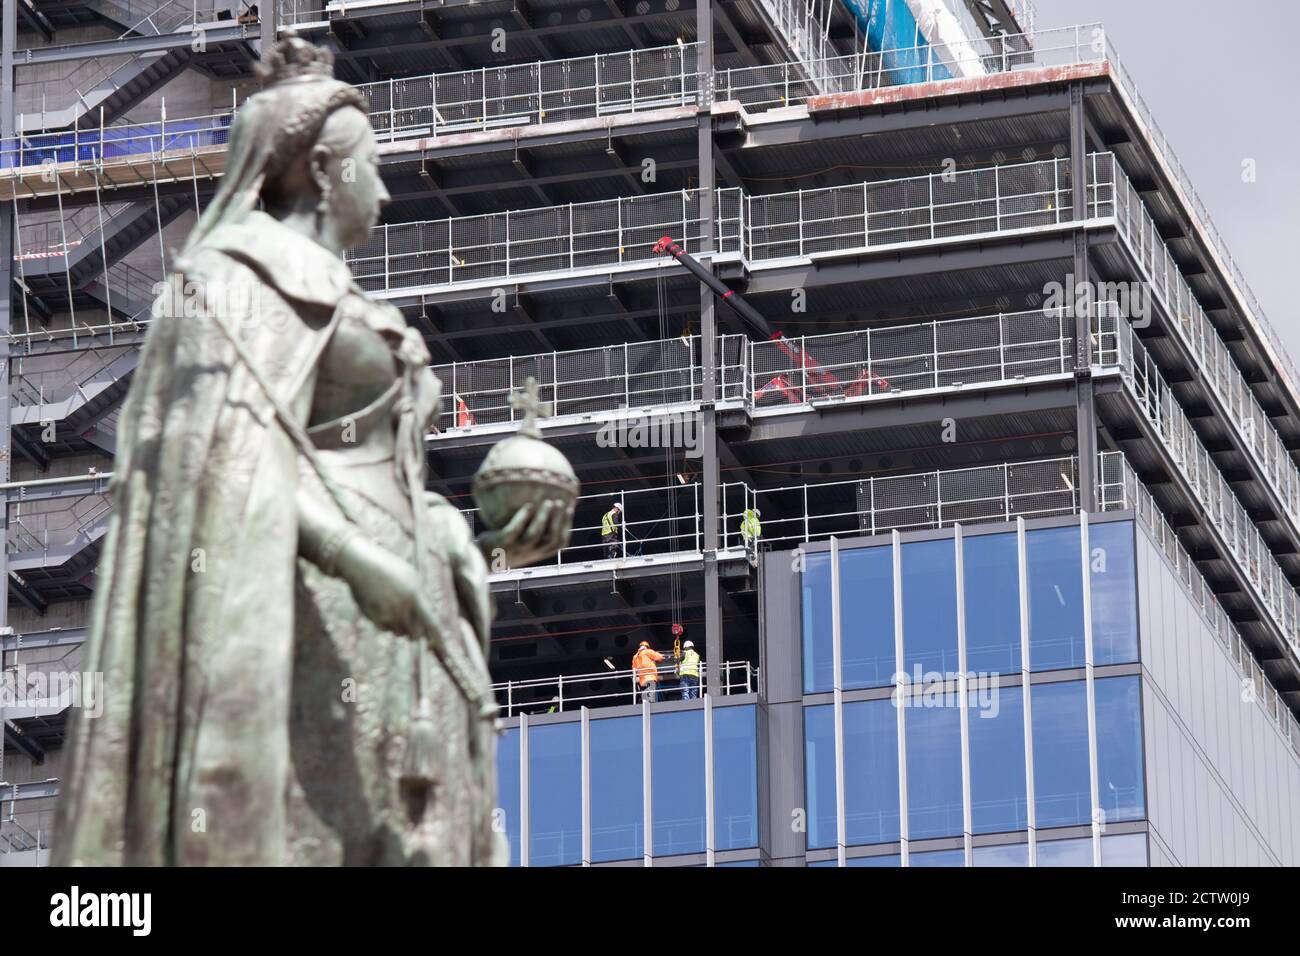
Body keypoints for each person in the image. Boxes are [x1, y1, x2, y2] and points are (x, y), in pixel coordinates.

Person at [52, 38, 569, 867]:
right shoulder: (230, 282)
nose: (387, 188)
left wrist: (477, 547)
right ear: (326, 171)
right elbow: (214, 470)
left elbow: (389, 475)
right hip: (306, 611)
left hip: (399, 620)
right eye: (373, 166)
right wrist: (354, 558)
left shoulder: (346, 297)